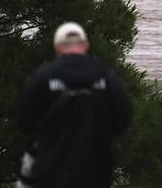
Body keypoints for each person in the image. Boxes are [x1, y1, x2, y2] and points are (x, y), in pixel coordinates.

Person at [17, 22, 132, 188]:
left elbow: (24, 120)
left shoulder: (44, 76)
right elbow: (123, 119)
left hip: (51, 170)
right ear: (86, 45)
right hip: (95, 171)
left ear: (57, 47)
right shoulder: (105, 75)